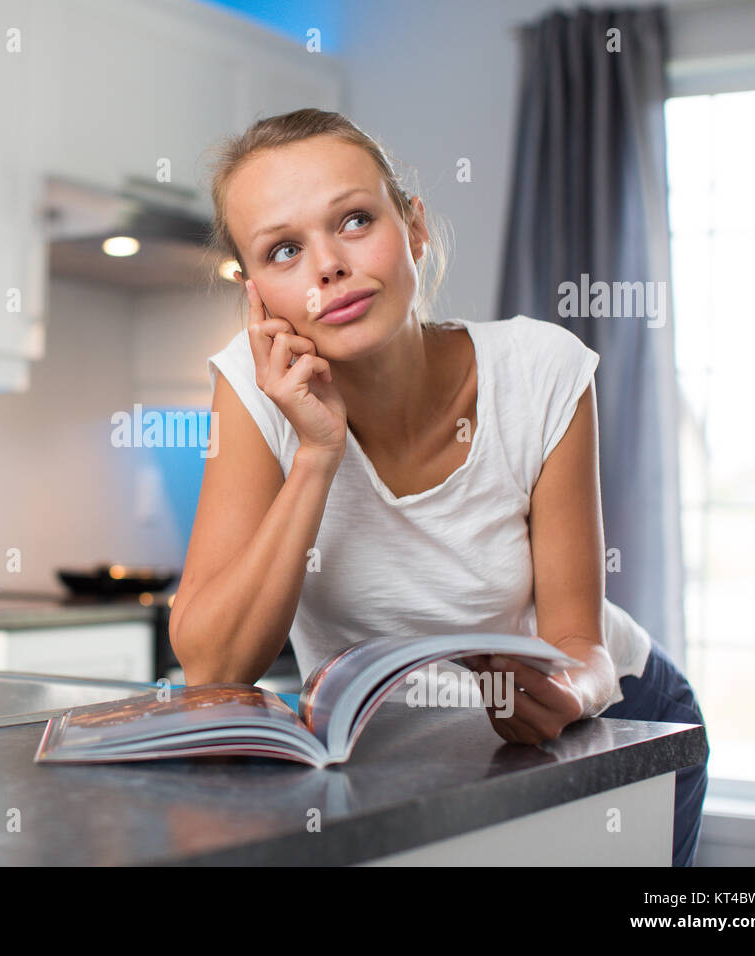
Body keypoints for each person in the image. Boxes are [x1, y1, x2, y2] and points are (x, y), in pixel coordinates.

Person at [168, 108, 709, 866]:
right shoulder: (256, 390)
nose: (327, 265)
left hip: (615, 717)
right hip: (414, 757)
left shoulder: (541, 371)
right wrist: (317, 455)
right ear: (256, 295)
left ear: (414, 228)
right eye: (284, 250)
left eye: (354, 220)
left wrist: (571, 697)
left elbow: (578, 642)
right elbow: (213, 669)